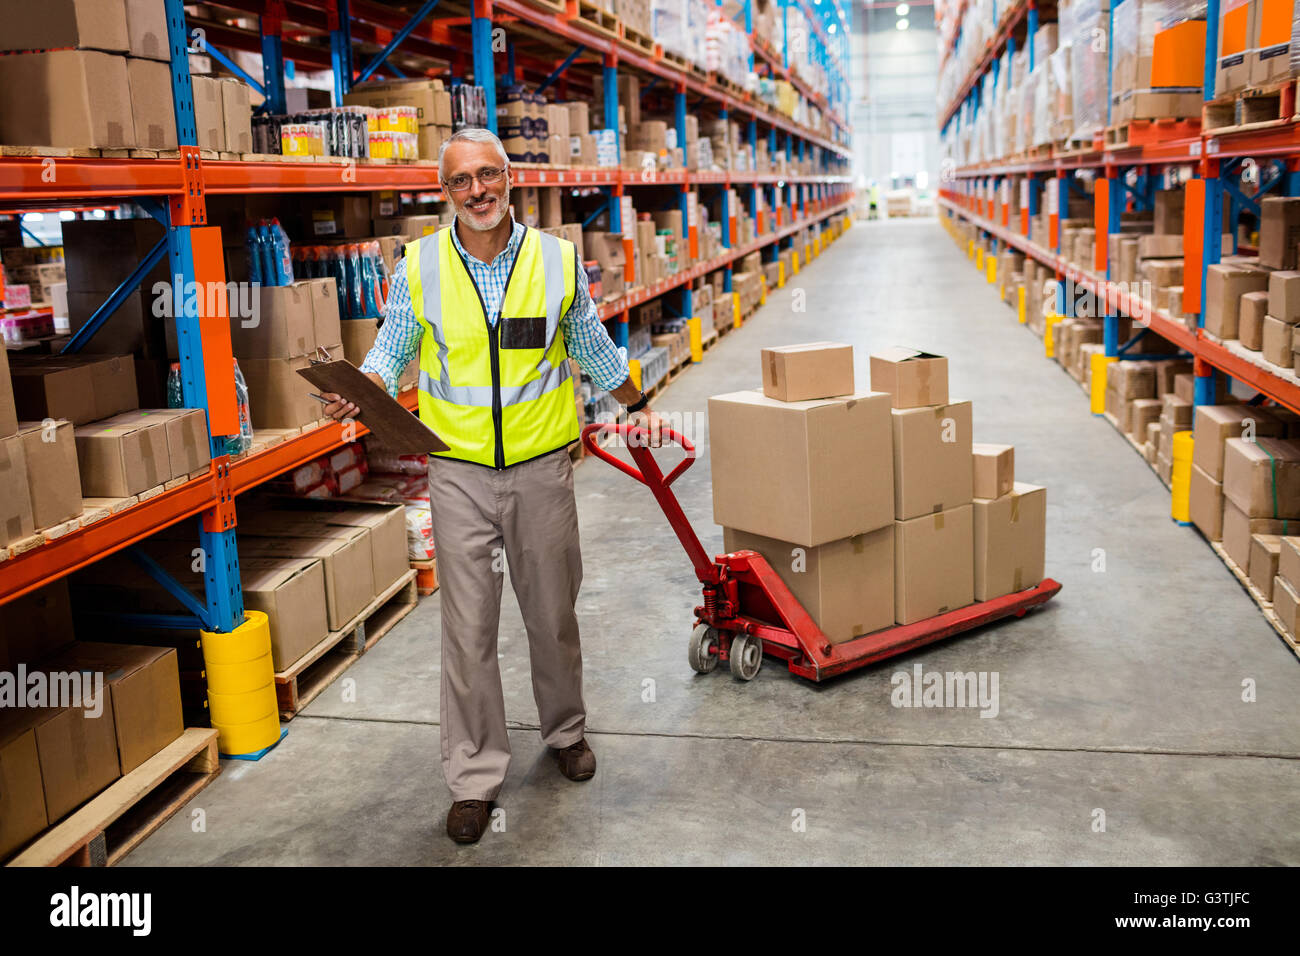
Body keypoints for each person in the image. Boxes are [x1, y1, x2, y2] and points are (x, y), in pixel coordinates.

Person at [320, 128, 665, 844]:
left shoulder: (556, 260)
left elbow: (590, 343)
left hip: (541, 469)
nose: (477, 190)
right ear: (444, 191)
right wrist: (363, 387)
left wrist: (638, 403)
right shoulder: (418, 265)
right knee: (468, 628)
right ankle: (473, 777)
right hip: (458, 472)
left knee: (552, 611)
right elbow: (391, 348)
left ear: (510, 176)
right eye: (460, 181)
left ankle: (565, 730)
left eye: (487, 174)